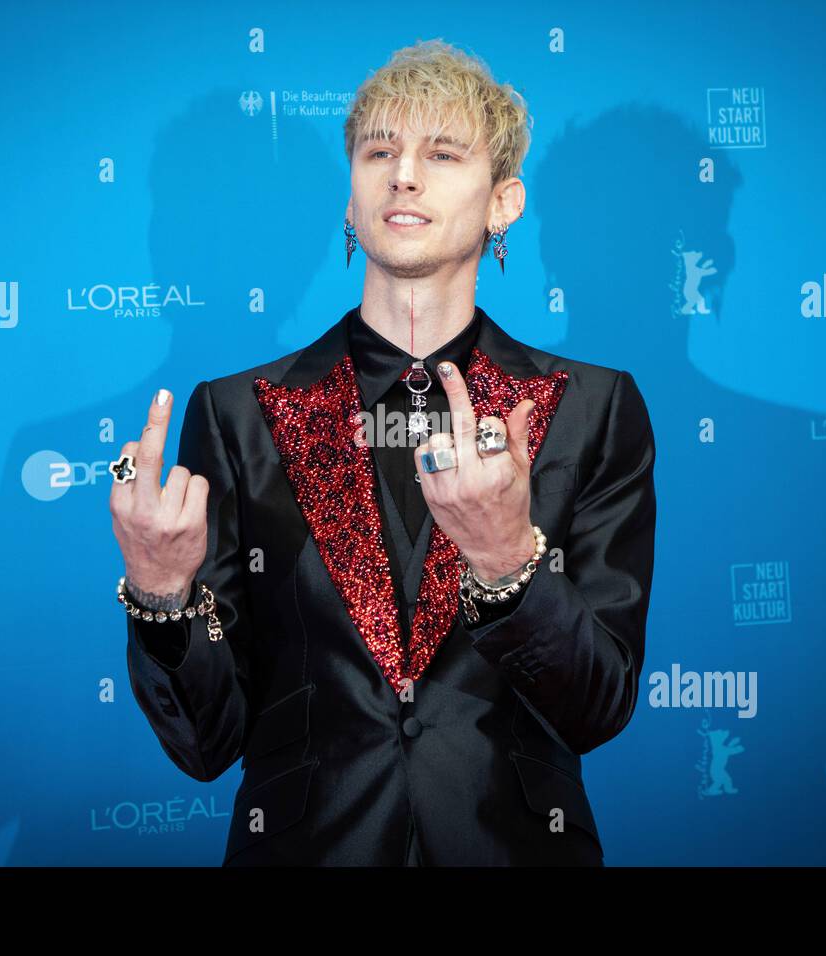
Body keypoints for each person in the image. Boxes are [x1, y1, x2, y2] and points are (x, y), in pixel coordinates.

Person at [109, 38, 657, 865]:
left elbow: (598, 707)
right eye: (379, 152)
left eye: (441, 153)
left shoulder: (593, 409)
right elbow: (206, 744)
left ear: (504, 202)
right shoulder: (237, 415)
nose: (403, 175)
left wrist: (508, 560)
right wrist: (159, 592)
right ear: (350, 201)